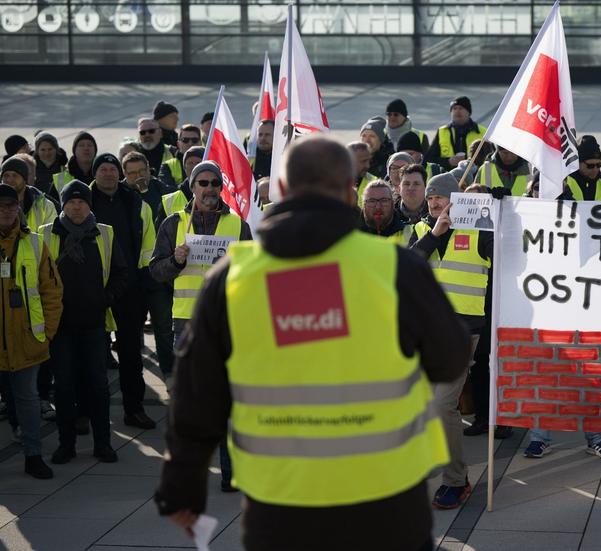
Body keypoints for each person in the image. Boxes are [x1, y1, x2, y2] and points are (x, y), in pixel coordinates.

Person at [155, 134, 469, 550]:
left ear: (281, 191)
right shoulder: (395, 267)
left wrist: (182, 485)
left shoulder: (235, 278)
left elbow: (195, 396)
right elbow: (450, 360)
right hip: (385, 492)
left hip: (281, 496)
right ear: (350, 193)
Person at [151, 160, 251, 491]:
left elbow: (254, 275)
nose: (209, 189)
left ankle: (229, 471)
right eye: (203, 183)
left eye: (214, 184)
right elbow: (156, 271)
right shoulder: (174, 223)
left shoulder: (237, 225)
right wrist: (176, 261)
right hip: (186, 323)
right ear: (192, 187)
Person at [408, 172, 491, 509]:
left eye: (440, 197)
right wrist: (433, 234)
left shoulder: (478, 231)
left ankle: (457, 480)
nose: (434, 203)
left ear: (456, 199)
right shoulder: (420, 230)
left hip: (464, 333)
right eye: (430, 198)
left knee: (443, 404)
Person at [41, 181, 125, 465]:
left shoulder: (104, 233)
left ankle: (103, 444)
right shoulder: (46, 234)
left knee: (98, 386)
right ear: (63, 204)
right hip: (60, 326)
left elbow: (120, 272)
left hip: (94, 324)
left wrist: (106, 298)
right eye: (71, 201)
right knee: (64, 387)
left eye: (82, 201)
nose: (77, 206)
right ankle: (67, 445)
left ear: (90, 204)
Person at [89, 153, 157, 430]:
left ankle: (134, 409)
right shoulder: (81, 200)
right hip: (90, 291)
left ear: (119, 173)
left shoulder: (135, 202)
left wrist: (143, 285)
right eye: (102, 169)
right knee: (91, 357)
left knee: (131, 355)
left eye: (111, 169)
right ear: (95, 174)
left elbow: (148, 249)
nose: (107, 174)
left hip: (129, 290)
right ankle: (88, 413)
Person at [0, 183, 62, 479]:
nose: (7, 211)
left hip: (27, 338)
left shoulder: (35, 243)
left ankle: (33, 455)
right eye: (1, 207)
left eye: (11, 206)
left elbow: (52, 290)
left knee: (28, 399)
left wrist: (47, 331)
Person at [122, 151, 177, 378]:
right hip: (130, 275)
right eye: (132, 173)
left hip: (156, 274)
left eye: (141, 171)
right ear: (124, 174)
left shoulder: (164, 192)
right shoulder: (120, 195)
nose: (138, 177)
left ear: (148, 169)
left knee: (163, 327)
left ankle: (169, 373)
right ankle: (132, 376)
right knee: (129, 331)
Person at [427, 96, 487, 170]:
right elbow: (429, 159)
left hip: (474, 176)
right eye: (454, 108)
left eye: (461, 108)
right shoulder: (442, 131)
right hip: (448, 176)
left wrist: (470, 161)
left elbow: (489, 158)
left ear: (468, 112)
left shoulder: (483, 132)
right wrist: (448, 161)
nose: (457, 111)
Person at [1, 155, 57, 232]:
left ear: (25, 179)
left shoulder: (44, 205)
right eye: (6, 175)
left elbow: (51, 237)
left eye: (15, 175)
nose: (10, 180)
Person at [560, 136, 601, 201]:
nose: (595, 169)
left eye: (599, 164)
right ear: (577, 163)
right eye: (590, 166)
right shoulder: (564, 184)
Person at [159, 146, 204, 224]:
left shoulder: (218, 197)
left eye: (198, 163)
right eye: (190, 163)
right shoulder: (169, 201)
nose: (194, 167)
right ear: (184, 168)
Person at [160, 124, 202, 190]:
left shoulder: (210, 163)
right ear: (178, 144)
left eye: (194, 140)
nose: (190, 143)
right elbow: (167, 191)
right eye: (185, 140)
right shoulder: (167, 166)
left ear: (201, 143)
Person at [348, 142, 376, 208]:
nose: (368, 166)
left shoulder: (374, 181)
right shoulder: (333, 184)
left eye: (369, 161)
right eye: (363, 161)